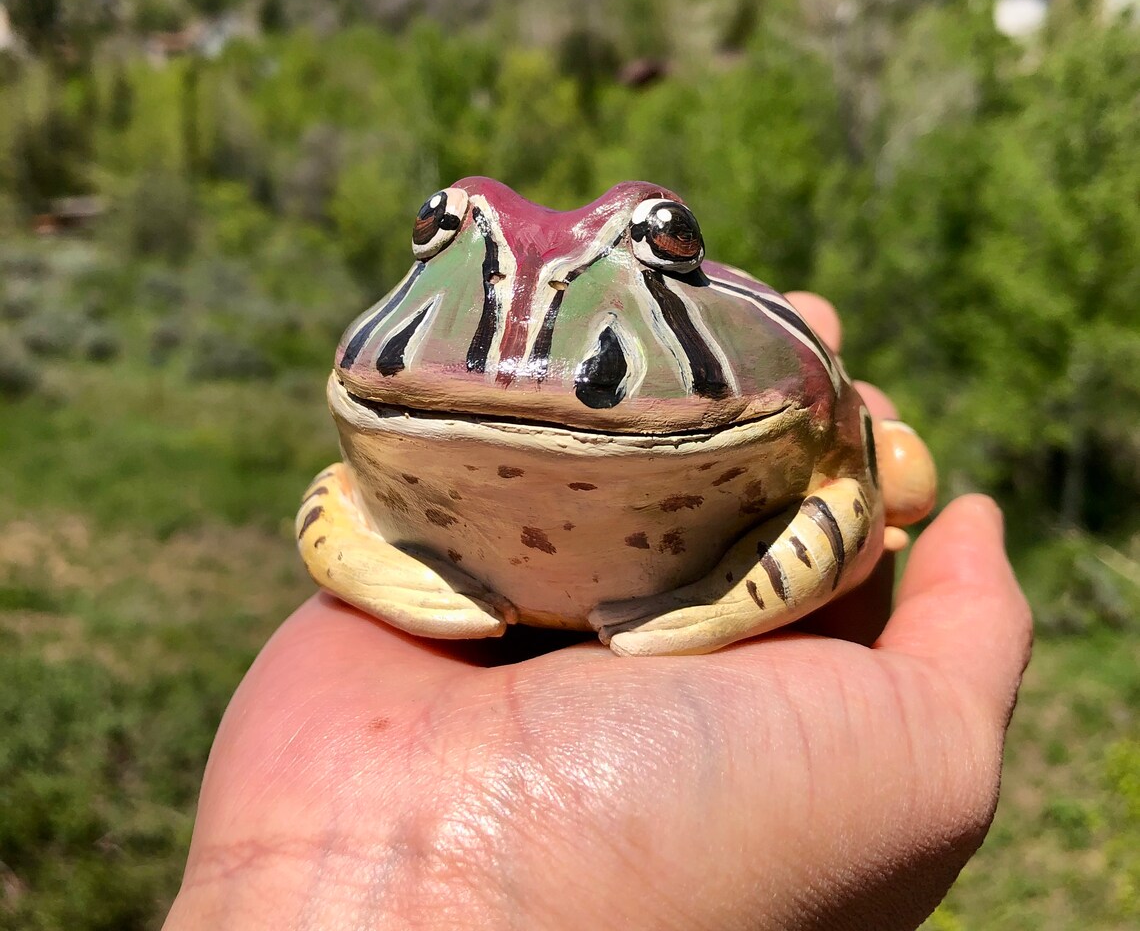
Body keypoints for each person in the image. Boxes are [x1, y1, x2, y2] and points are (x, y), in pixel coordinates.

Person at [163, 294, 1032, 931]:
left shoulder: (760, 379)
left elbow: (850, 492)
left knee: (906, 472)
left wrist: (725, 602)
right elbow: (337, 496)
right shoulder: (396, 403)